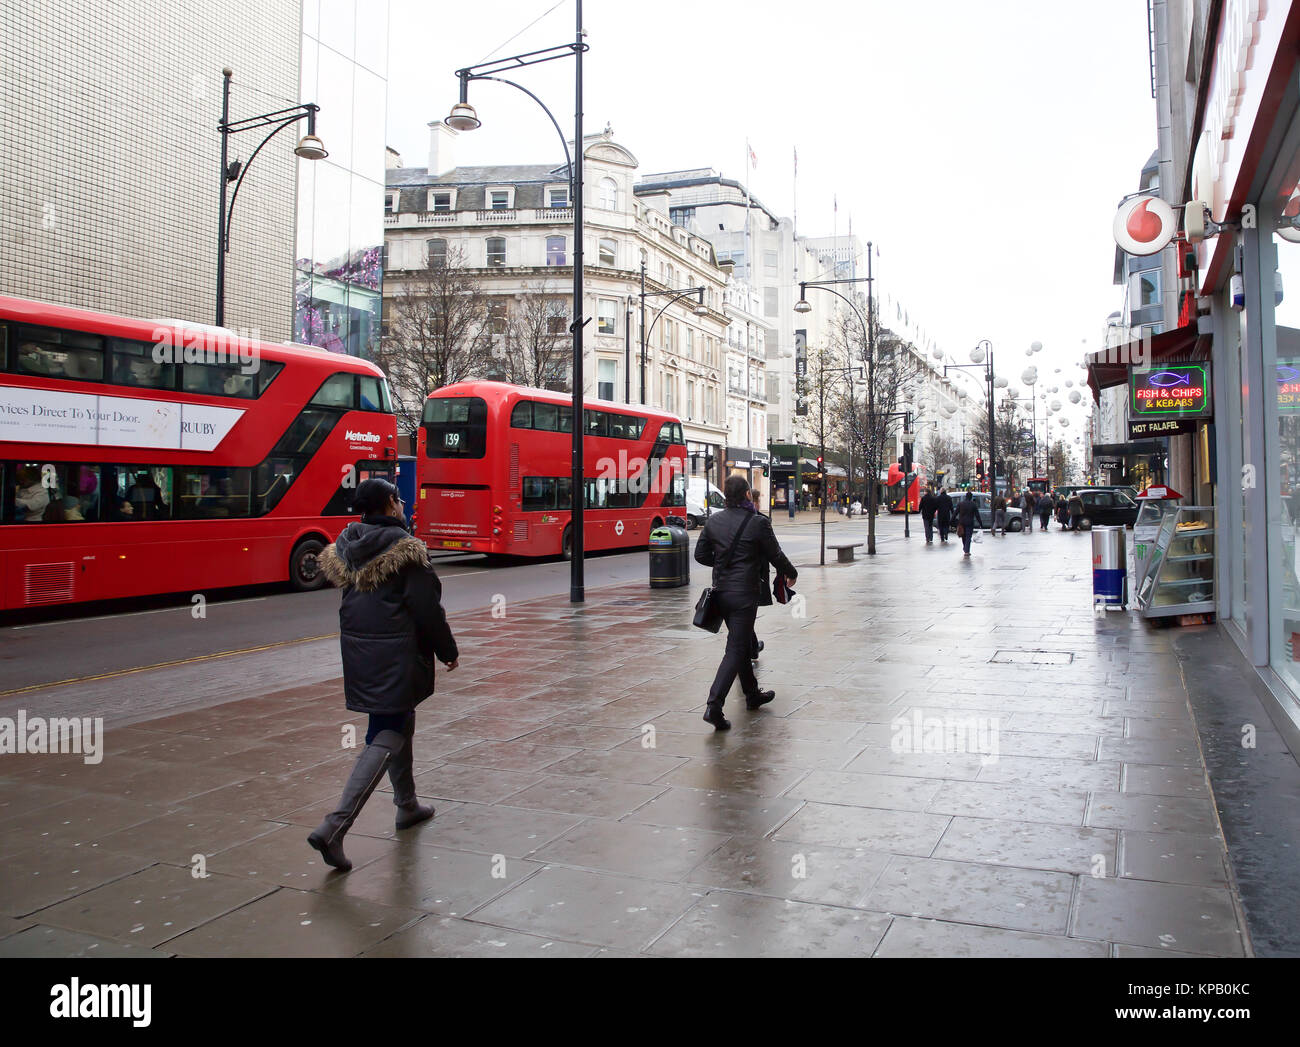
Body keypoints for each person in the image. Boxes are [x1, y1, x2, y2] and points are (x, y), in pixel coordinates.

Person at [309, 477, 459, 871]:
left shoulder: (350, 545)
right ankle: (335, 826)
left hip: (361, 652)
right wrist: (448, 651)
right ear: (390, 504)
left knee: (396, 719)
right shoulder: (406, 551)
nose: (403, 504)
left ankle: (406, 805)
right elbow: (427, 609)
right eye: (398, 498)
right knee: (387, 732)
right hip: (396, 652)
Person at [694, 475, 797, 731]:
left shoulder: (713, 521)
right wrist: (791, 573)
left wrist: (722, 564)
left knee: (739, 643)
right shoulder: (757, 523)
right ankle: (714, 706)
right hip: (744, 595)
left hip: (722, 593)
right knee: (736, 648)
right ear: (747, 496)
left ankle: (752, 694)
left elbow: (700, 554)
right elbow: (776, 554)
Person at [955, 491, 984, 557]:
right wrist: (980, 523)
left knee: (963, 536)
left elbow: (955, 513)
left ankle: (965, 547)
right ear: (971, 497)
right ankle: (967, 550)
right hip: (970, 522)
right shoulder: (973, 504)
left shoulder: (961, 504)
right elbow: (977, 515)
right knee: (968, 536)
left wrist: (952, 520)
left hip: (962, 522)